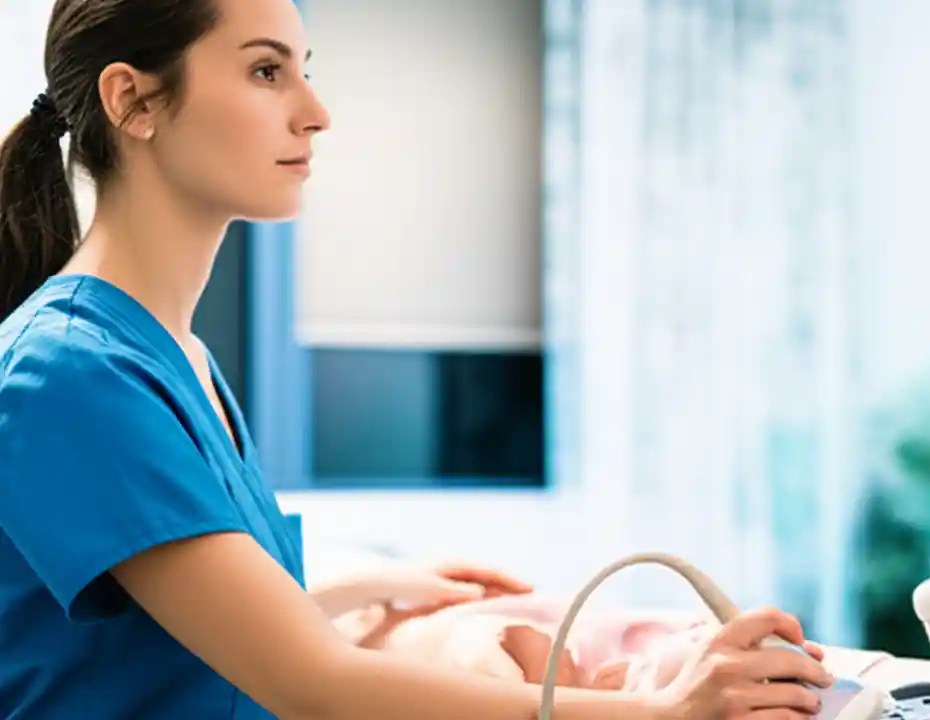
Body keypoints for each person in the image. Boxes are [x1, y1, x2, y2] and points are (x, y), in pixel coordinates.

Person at [0, 0, 834, 718]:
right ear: (133, 100)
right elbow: (311, 687)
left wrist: (370, 588)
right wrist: (662, 711)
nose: (315, 111)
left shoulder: (175, 357)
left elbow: (158, 639)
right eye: (266, 72)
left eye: (305, 69)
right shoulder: (70, 372)